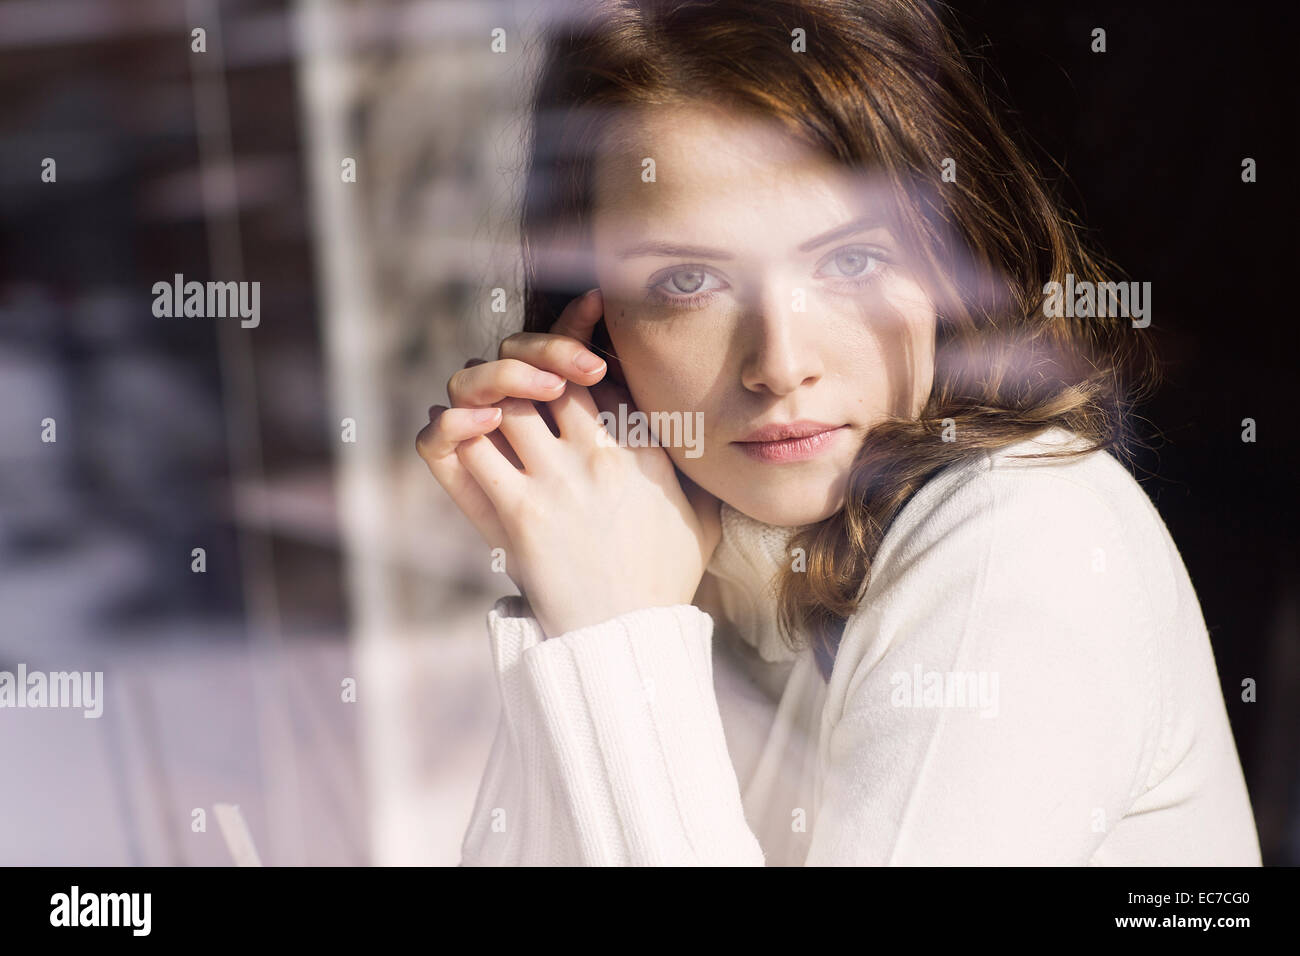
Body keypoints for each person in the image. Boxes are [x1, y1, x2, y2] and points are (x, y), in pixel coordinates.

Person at [416, 0, 1261, 865]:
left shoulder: (1019, 540)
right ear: (594, 330)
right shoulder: (696, 561)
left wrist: (611, 637)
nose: (780, 363)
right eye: (688, 280)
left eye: (851, 260)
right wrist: (578, 575)